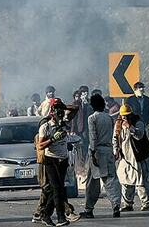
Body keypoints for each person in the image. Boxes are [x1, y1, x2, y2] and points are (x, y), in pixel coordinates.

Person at [36, 98, 78, 226]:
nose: (60, 113)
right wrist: (53, 139)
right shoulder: (46, 126)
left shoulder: (63, 121)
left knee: (58, 189)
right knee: (57, 188)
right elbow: (40, 146)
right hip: (51, 159)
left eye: (61, 110)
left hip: (63, 159)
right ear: (52, 112)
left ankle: (45, 214)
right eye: (57, 110)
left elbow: (75, 108)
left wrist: (62, 106)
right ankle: (60, 217)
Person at [80, 94, 121, 219]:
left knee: (92, 183)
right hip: (108, 151)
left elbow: (93, 137)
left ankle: (89, 209)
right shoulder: (108, 118)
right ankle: (116, 205)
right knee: (111, 180)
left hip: (97, 152)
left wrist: (92, 154)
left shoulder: (92, 118)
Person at [114, 104, 149, 212]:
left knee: (141, 181)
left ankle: (146, 203)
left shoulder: (138, 122)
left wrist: (130, 127)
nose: (125, 118)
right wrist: (115, 151)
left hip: (138, 156)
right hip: (125, 158)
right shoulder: (118, 124)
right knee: (125, 180)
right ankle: (127, 204)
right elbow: (115, 138)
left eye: (127, 116)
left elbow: (139, 135)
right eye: (123, 116)